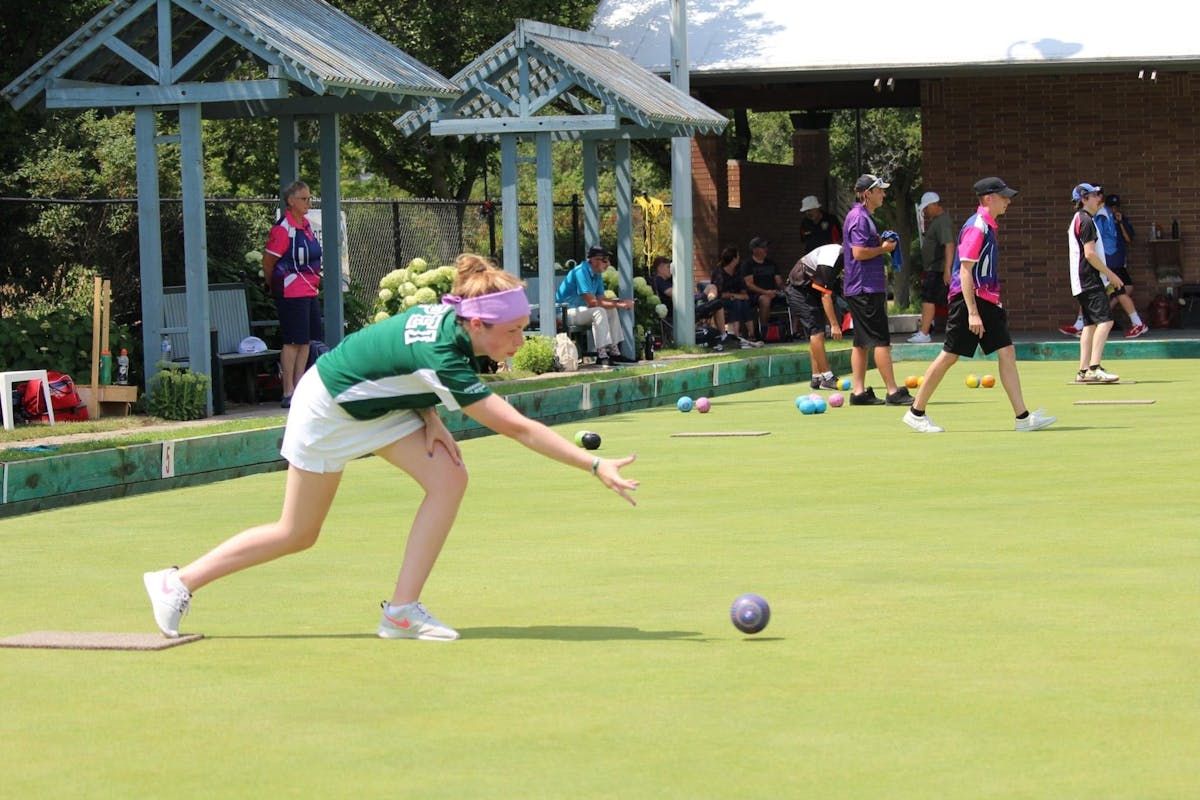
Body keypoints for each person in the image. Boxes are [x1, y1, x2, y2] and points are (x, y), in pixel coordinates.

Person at [144, 254, 640, 641]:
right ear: (476, 325)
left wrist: (427, 413)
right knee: (297, 532)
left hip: (376, 405)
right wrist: (593, 464)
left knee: (449, 478)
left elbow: (391, 357)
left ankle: (401, 612)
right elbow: (519, 429)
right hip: (329, 409)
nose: (517, 341)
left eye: (521, 329)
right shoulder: (446, 353)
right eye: (511, 332)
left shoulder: (452, 327)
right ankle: (178, 582)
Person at [902, 178, 1057, 433]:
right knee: (949, 355)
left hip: (986, 300)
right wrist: (973, 312)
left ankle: (1022, 418)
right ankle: (916, 413)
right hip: (968, 301)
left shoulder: (988, 225)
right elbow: (965, 271)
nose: (1008, 201)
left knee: (1006, 352)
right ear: (988, 198)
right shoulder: (977, 226)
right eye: (1004, 197)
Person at [842, 174, 912, 406]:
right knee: (881, 341)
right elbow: (859, 253)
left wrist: (881, 243)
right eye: (879, 190)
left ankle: (859, 392)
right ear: (867, 194)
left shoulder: (863, 217)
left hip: (862, 287)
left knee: (861, 342)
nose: (883, 194)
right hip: (865, 288)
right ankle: (892, 391)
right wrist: (883, 249)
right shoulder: (859, 218)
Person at [263, 181, 323, 408]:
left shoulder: (306, 225)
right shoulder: (283, 229)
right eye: (304, 199)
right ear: (291, 201)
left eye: (309, 198)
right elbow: (269, 261)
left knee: (306, 340)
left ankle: (300, 387)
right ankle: (288, 390)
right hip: (290, 292)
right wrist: (273, 286)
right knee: (292, 341)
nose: (309, 202)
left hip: (310, 289)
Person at [1058, 193, 1148, 339]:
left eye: (1115, 206)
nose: (1113, 208)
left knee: (1117, 293)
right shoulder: (1091, 216)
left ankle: (1137, 323)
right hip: (1105, 262)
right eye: (1096, 196)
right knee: (1103, 294)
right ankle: (1080, 325)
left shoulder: (1099, 217)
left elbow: (1126, 238)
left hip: (1110, 262)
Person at [1068, 183, 1125, 383]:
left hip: (1082, 281)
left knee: (1090, 325)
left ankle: (1083, 371)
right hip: (1089, 280)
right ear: (1084, 199)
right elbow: (1090, 254)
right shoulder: (1086, 221)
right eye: (1094, 195)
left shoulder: (1080, 219)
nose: (1099, 198)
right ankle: (1094, 367)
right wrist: (1111, 275)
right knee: (1106, 321)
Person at [555, 245, 636, 367]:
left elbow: (601, 299)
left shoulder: (597, 275)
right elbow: (592, 302)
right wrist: (621, 304)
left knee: (611, 310)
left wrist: (619, 303)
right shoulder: (580, 272)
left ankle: (614, 352)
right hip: (564, 312)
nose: (608, 264)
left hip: (581, 311)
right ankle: (602, 355)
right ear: (593, 260)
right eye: (604, 260)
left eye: (608, 260)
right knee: (599, 311)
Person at [784, 243, 844, 389]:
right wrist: (835, 325)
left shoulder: (844, 256)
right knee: (816, 331)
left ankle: (816, 377)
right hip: (798, 289)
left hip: (809, 290)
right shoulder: (831, 259)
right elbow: (825, 296)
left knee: (817, 331)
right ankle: (827, 378)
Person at [907, 191, 955, 343]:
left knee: (929, 299)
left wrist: (947, 269)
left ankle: (924, 333)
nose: (925, 211)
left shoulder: (943, 222)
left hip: (938, 269)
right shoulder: (937, 221)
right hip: (934, 269)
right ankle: (925, 330)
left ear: (934, 204)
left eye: (926, 208)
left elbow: (949, 244)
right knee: (931, 299)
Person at [650, 255, 726, 343]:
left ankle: (709, 303)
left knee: (711, 287)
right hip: (685, 312)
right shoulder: (659, 280)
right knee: (718, 304)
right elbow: (673, 293)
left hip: (690, 303)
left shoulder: (668, 280)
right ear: (660, 268)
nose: (670, 270)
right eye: (668, 267)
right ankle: (723, 334)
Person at [710, 246, 760, 348]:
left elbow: (744, 294)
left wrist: (733, 295)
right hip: (721, 301)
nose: (739, 258)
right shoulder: (719, 272)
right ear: (733, 259)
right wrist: (734, 296)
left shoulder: (738, 272)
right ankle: (737, 335)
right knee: (737, 303)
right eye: (738, 256)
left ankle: (751, 335)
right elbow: (718, 293)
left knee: (743, 303)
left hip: (736, 299)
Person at [740, 236, 784, 341]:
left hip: (772, 293)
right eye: (763, 247)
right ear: (754, 250)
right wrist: (766, 292)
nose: (766, 249)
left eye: (766, 247)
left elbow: (779, 281)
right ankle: (764, 330)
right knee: (765, 299)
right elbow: (749, 284)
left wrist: (784, 289)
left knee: (794, 297)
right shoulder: (748, 264)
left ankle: (794, 331)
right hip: (755, 295)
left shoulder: (771, 263)